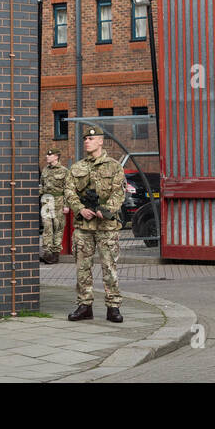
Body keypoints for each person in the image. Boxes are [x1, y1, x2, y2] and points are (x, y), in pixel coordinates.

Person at [64, 125, 126, 323]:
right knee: (82, 267)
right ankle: (85, 306)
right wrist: (80, 208)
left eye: (91, 139)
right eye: (85, 139)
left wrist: (105, 210)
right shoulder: (77, 167)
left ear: (100, 141)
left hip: (106, 226)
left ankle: (113, 307)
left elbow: (119, 192)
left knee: (109, 266)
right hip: (84, 226)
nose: (87, 142)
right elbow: (69, 191)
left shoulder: (114, 166)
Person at [39, 149, 68, 264]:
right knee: (47, 227)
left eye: (50, 155)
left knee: (57, 227)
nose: (47, 156)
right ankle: (47, 253)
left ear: (56, 157)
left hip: (58, 201)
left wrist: (66, 205)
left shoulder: (64, 171)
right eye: (47, 154)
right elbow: (42, 185)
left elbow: (67, 189)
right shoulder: (45, 170)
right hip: (46, 201)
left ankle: (55, 254)